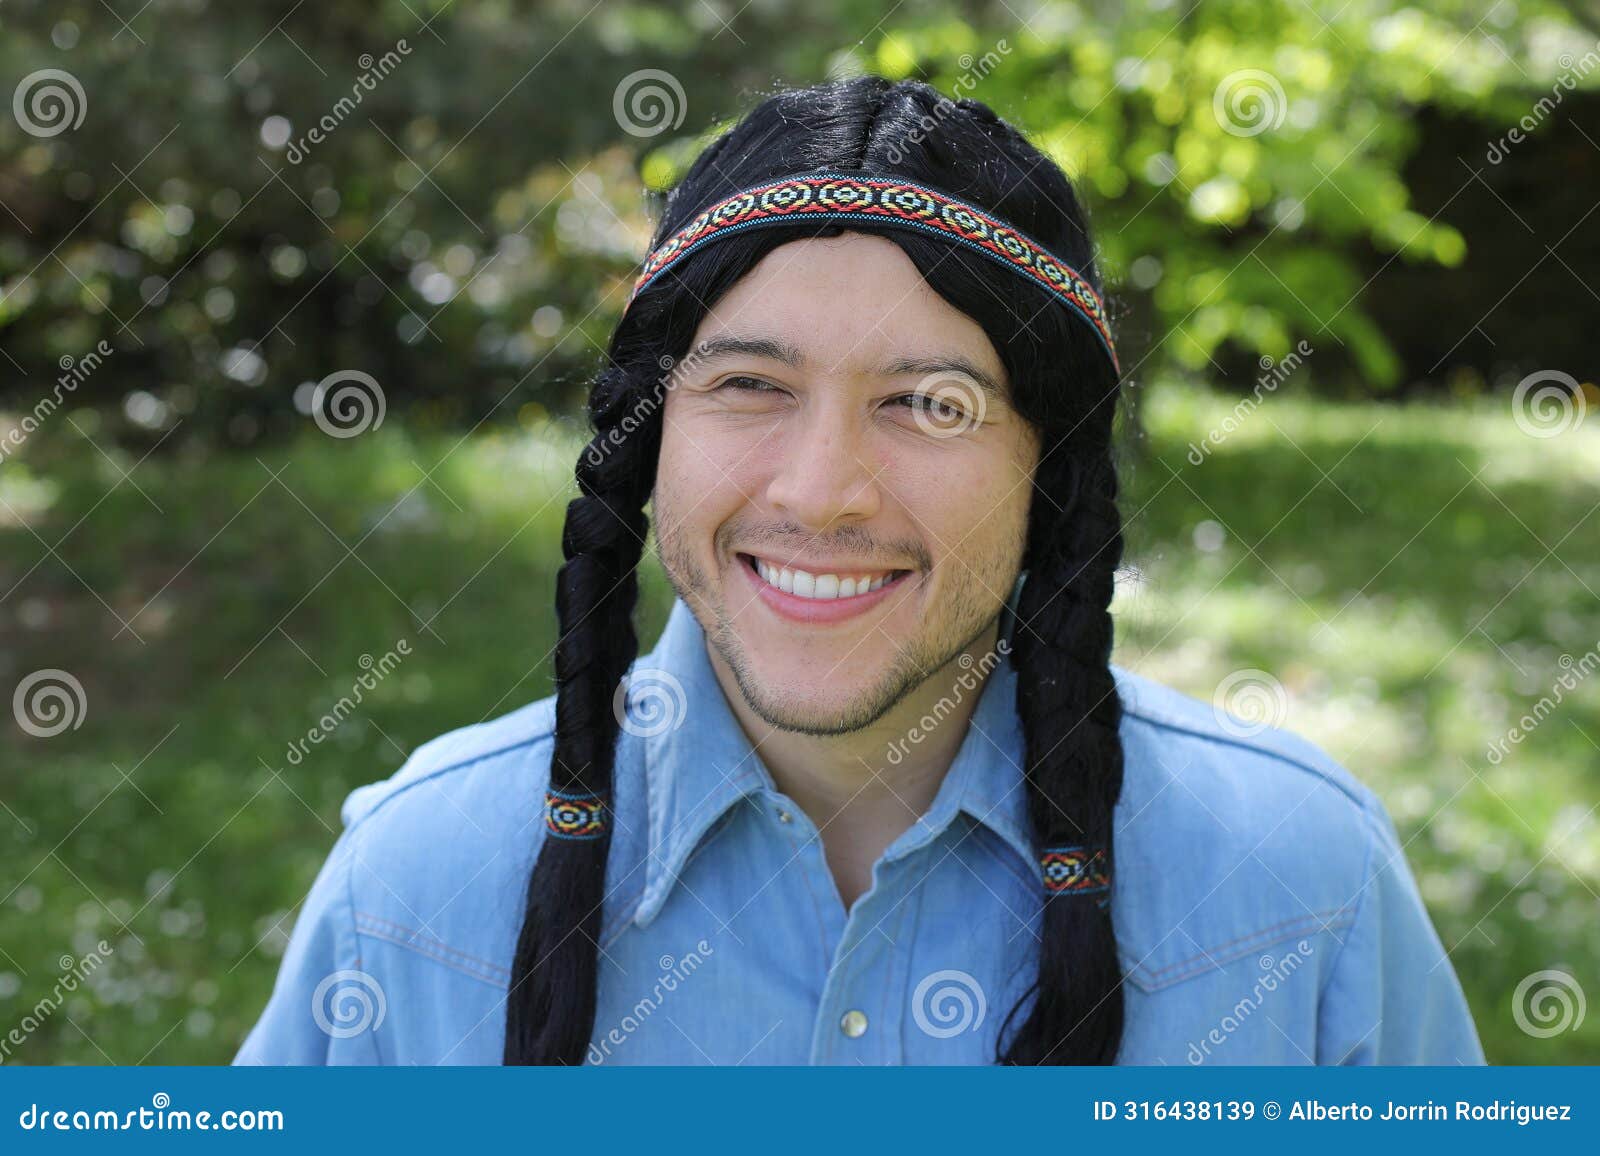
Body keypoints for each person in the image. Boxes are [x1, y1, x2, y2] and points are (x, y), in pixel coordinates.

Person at [236, 76, 1483, 1066]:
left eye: (928, 403)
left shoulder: (1300, 890)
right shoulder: (413, 891)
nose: (820, 487)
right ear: (647, 434)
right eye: (748, 385)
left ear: (1049, 469)